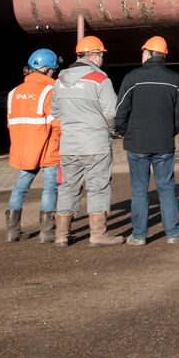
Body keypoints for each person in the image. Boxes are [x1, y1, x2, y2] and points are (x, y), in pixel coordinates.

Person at [115, 35, 179, 246]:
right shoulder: (176, 79)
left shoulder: (132, 78)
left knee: (139, 191)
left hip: (137, 143)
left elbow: (120, 111)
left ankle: (139, 236)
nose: (142, 55)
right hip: (164, 144)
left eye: (143, 52)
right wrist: (171, 130)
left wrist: (126, 132)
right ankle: (174, 234)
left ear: (149, 54)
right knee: (166, 189)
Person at [50, 36, 123, 247]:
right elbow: (112, 113)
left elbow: (55, 111)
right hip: (95, 144)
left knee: (67, 187)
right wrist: (111, 130)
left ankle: (62, 235)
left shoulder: (59, 81)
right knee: (98, 187)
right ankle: (98, 234)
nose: (101, 59)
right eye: (101, 55)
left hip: (69, 144)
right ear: (95, 55)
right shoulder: (100, 79)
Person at [5, 48, 62, 244]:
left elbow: (11, 123)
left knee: (20, 188)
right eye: (53, 69)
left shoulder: (14, 92)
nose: (54, 73)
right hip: (47, 148)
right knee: (49, 189)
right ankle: (47, 232)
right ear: (46, 69)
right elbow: (57, 123)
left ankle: (12, 231)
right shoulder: (50, 90)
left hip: (23, 149)